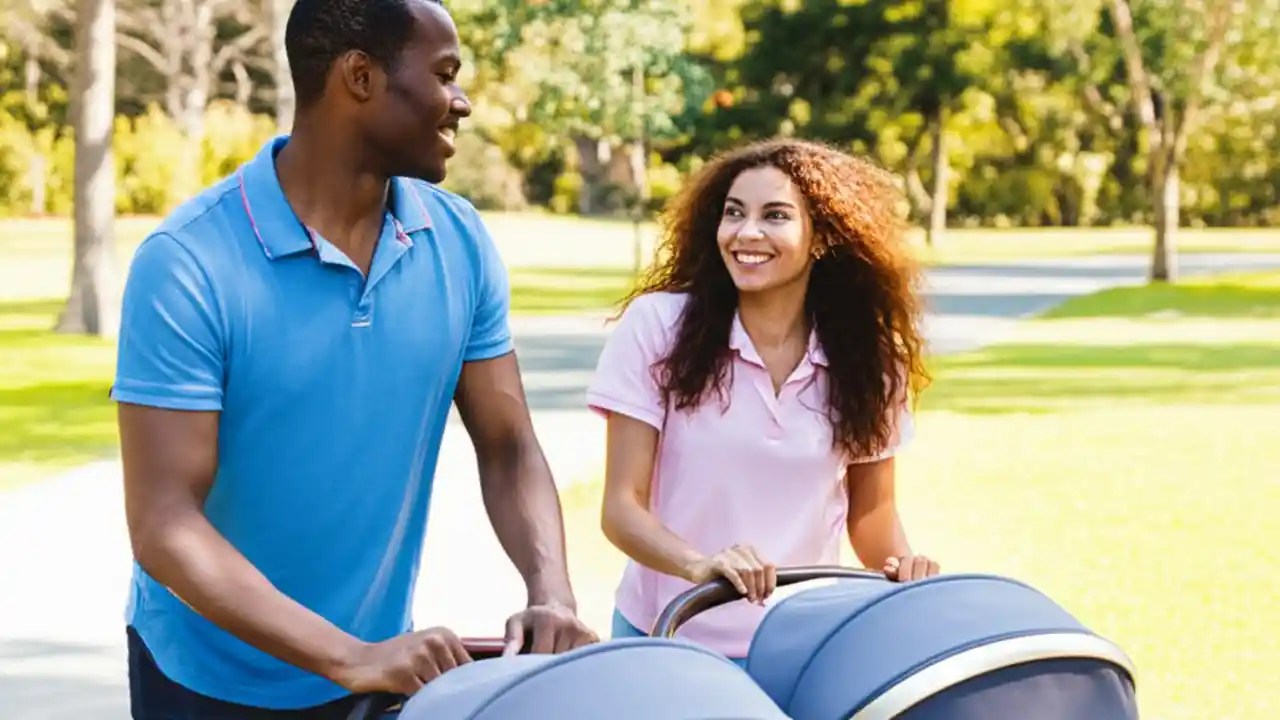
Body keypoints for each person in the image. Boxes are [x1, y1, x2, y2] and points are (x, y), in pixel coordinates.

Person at [111, 0, 597, 716]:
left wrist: (550, 590)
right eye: (445, 74)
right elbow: (164, 523)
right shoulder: (189, 263)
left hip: (375, 673)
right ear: (360, 77)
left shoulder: (458, 241)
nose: (461, 102)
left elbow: (509, 444)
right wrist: (349, 657)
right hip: (207, 680)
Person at [587, 138, 941, 667]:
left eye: (774, 216)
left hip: (802, 648)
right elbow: (621, 508)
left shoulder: (869, 363)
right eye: (734, 213)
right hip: (668, 640)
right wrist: (700, 566)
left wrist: (905, 567)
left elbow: (871, 516)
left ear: (822, 238)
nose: (746, 233)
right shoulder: (657, 327)